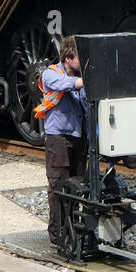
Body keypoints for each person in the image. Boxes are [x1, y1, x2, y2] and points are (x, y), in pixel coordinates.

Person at [36, 36, 89, 247]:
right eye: (79, 57)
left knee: (77, 185)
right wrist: (86, 81)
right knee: (58, 186)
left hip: (78, 138)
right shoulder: (50, 74)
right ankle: (58, 235)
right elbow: (65, 84)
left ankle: (73, 230)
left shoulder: (80, 77)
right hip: (58, 138)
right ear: (68, 58)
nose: (83, 61)